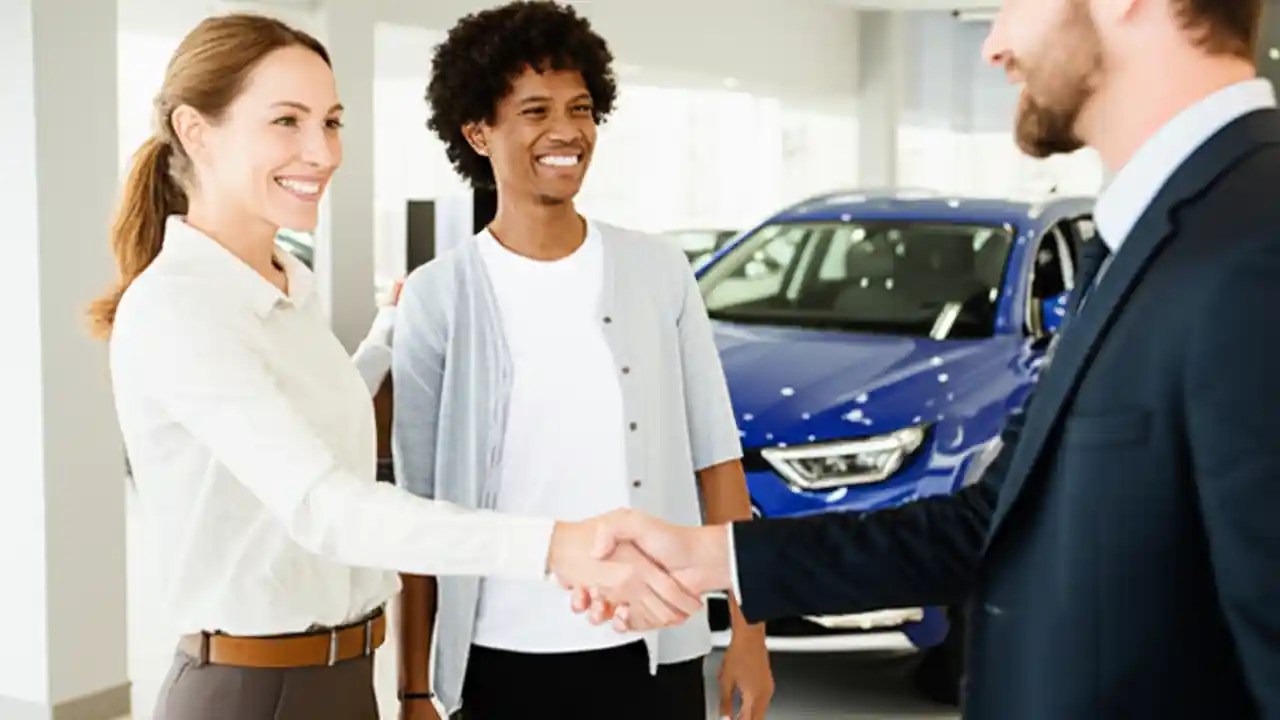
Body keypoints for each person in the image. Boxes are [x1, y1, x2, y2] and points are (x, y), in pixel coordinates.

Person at [576, 0, 1280, 717]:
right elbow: (986, 522)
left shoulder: (1257, 248)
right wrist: (711, 556)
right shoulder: (1149, 237)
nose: (993, 45)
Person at [90, 13, 699, 720]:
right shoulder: (179, 309)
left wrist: (386, 331)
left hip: (346, 678)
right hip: (252, 691)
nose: (321, 151)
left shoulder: (283, 288)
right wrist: (555, 544)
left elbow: (312, 418)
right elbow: (325, 508)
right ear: (196, 131)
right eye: (286, 121)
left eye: (332, 121)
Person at [390, 3, 773, 719]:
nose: (566, 131)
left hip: (652, 646)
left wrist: (748, 637)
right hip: (498, 656)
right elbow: (419, 514)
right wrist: (415, 685)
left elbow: (718, 463)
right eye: (534, 110)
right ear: (478, 132)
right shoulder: (437, 297)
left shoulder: (659, 272)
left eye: (581, 107)